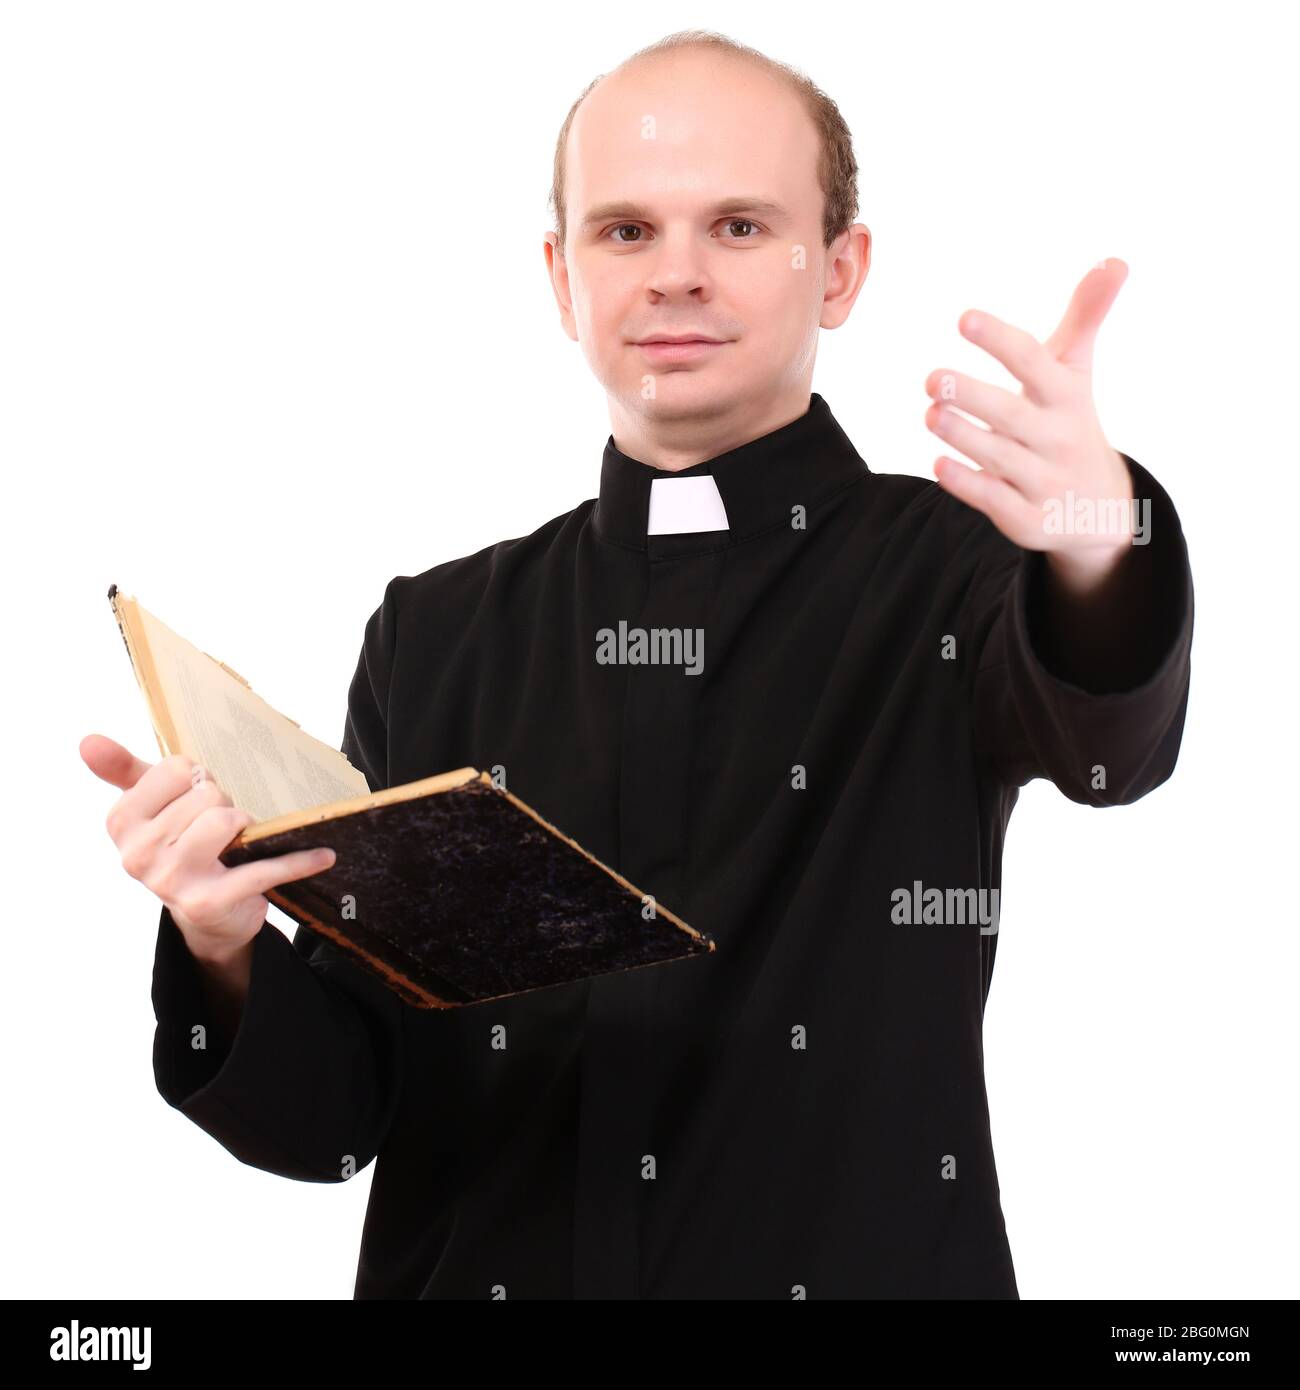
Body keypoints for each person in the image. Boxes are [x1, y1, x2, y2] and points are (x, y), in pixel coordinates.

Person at [82, 29, 1193, 1299]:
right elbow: (336, 1121)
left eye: (735, 226)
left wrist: (1100, 535)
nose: (674, 276)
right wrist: (223, 946)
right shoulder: (435, 630)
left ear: (839, 268)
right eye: (623, 233)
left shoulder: (950, 572)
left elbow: (1111, 747)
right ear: (560, 281)